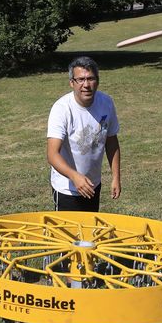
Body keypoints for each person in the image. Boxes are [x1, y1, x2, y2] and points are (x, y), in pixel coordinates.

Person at [47, 56, 121, 212]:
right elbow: (52, 154)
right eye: (80, 79)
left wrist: (116, 177)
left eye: (91, 79)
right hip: (66, 188)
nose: (86, 85)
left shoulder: (106, 102)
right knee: (67, 235)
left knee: (88, 232)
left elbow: (111, 141)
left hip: (93, 184)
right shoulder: (62, 109)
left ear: (97, 81)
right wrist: (75, 177)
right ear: (71, 83)